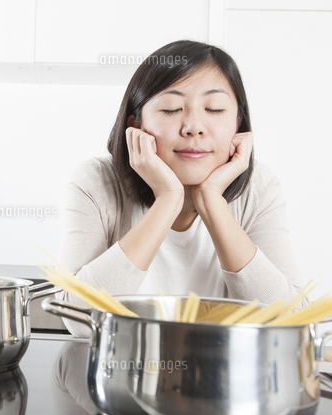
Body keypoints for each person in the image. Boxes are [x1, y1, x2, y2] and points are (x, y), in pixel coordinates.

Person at [56, 40, 303, 337]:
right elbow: (79, 319)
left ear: (238, 125)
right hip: (126, 376)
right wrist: (168, 200)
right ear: (136, 125)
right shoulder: (96, 182)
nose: (194, 127)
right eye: (172, 109)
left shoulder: (259, 188)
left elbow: (292, 323)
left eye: (214, 109)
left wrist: (212, 202)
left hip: (223, 378)